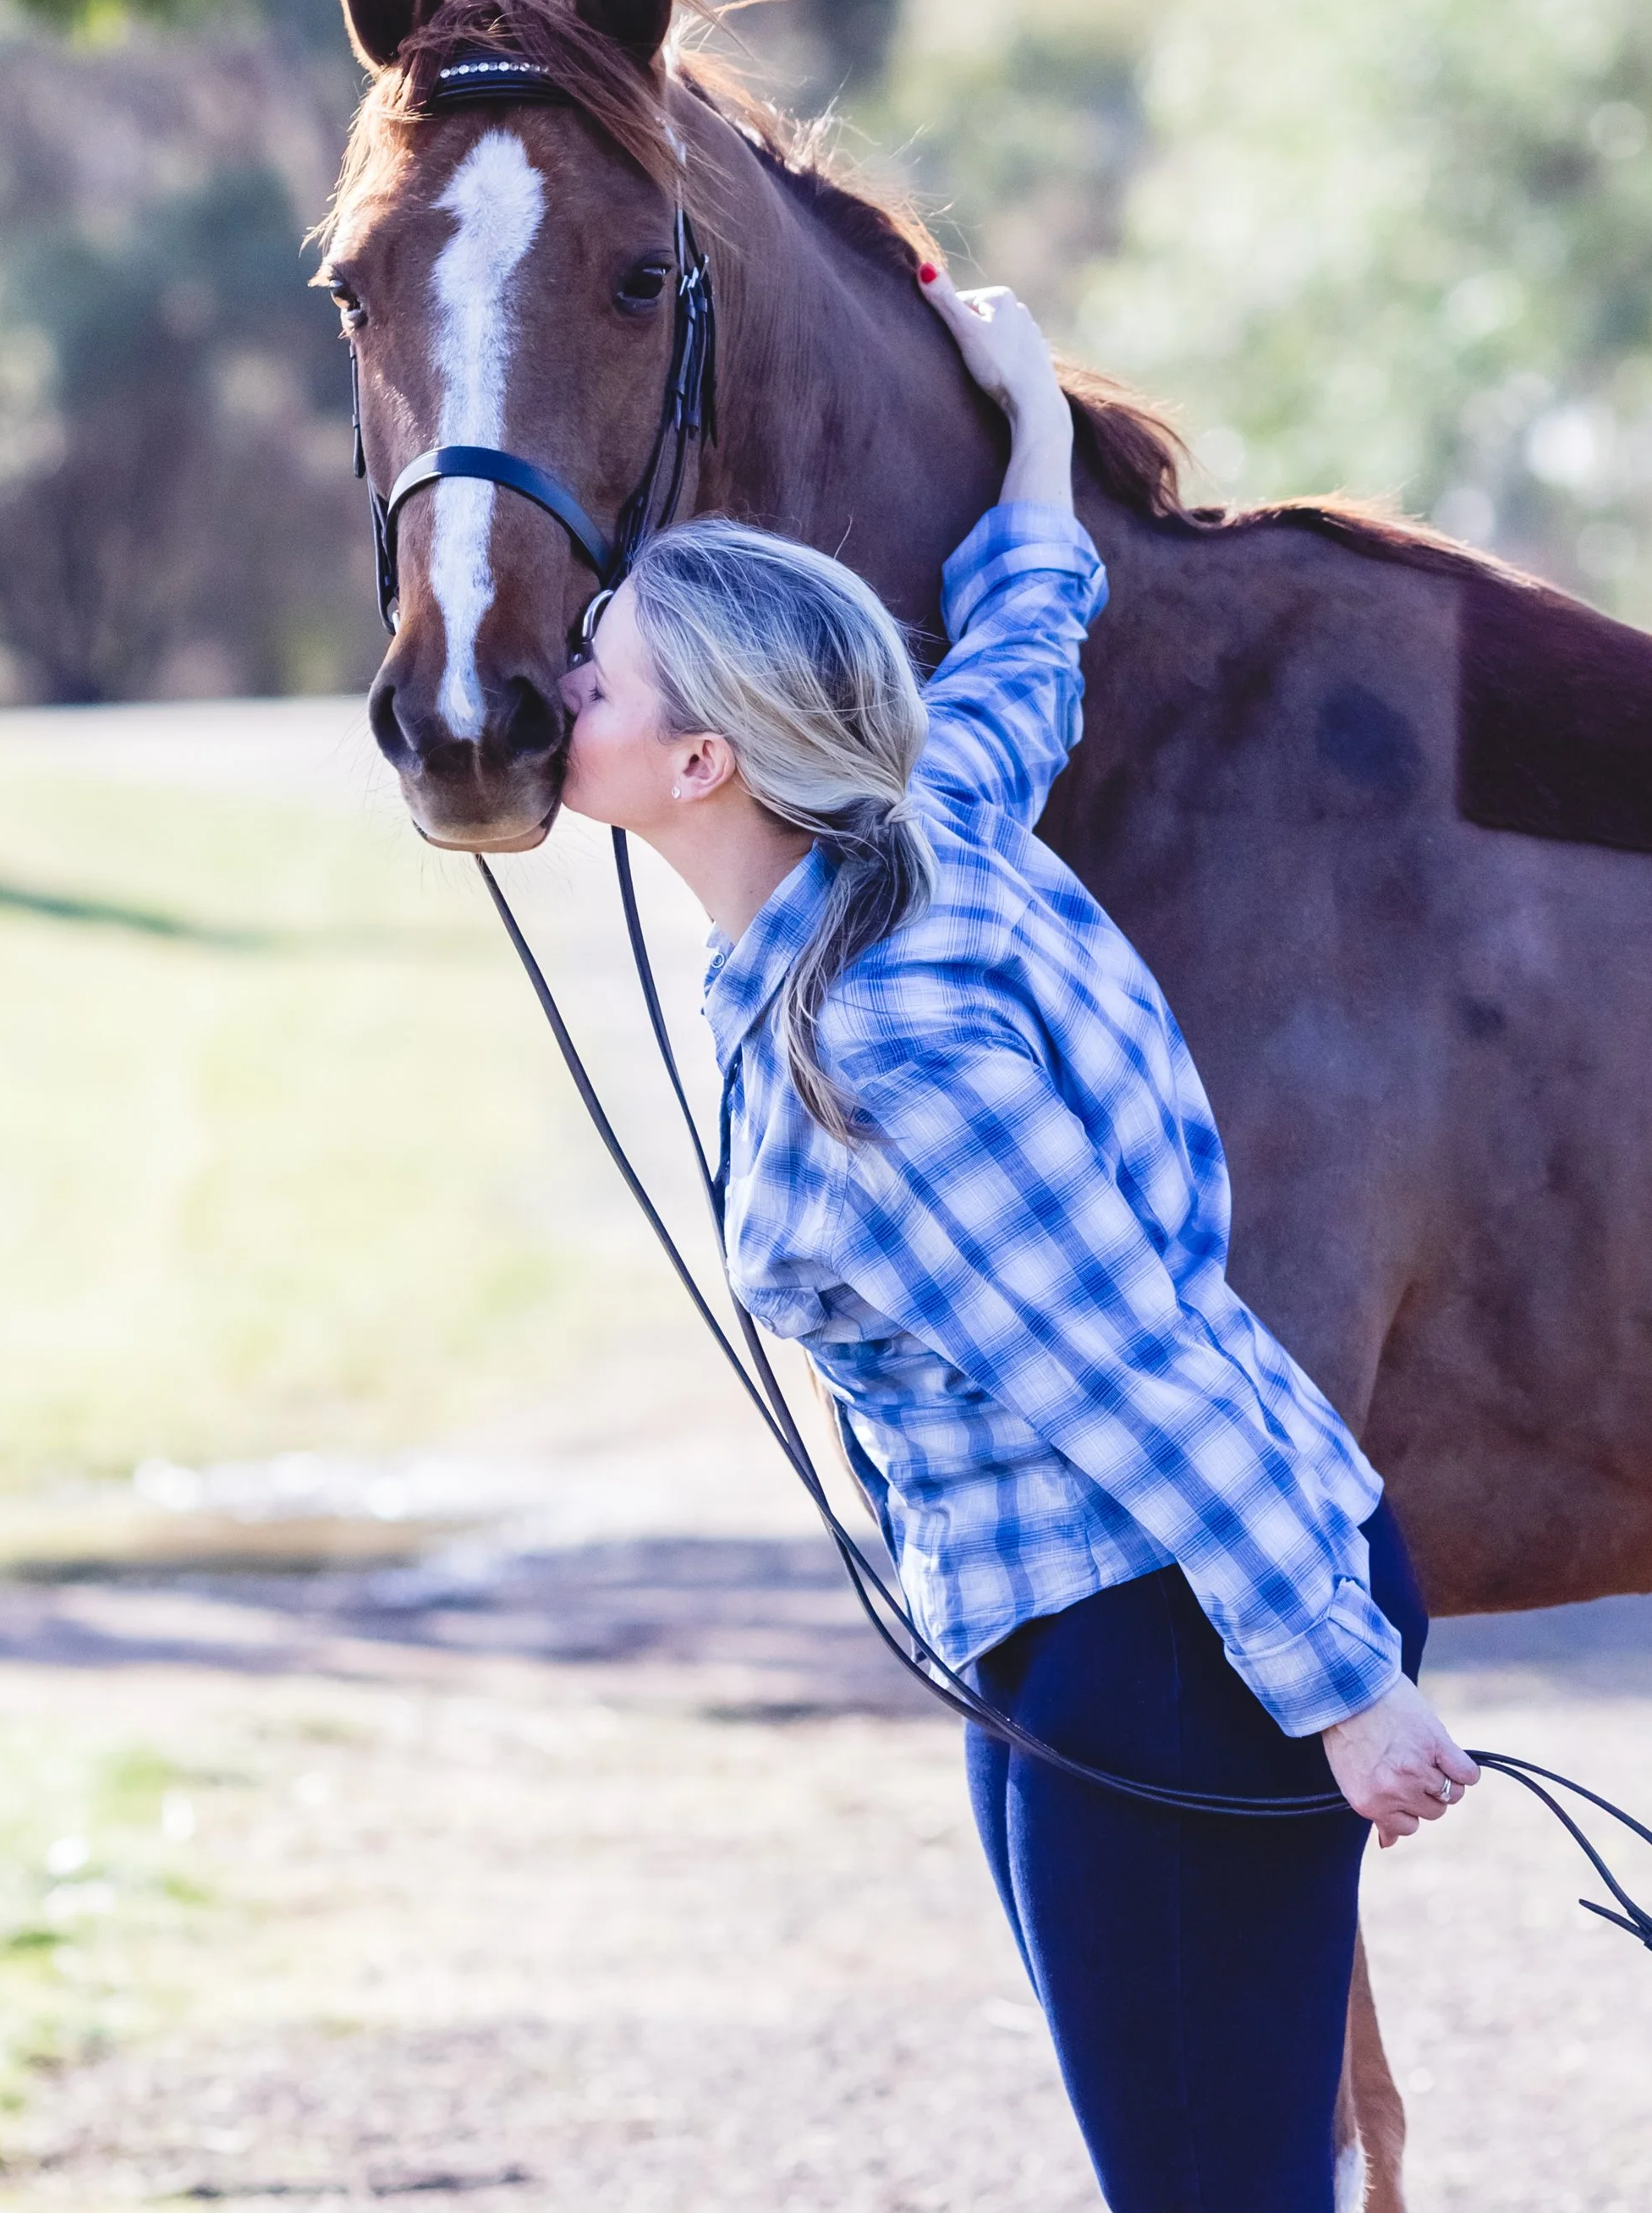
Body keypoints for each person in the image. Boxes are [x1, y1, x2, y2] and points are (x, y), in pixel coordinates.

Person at [556, 269, 1479, 2213]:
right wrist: (1029, 427)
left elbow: (1127, 1370)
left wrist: (1335, 1687)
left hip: (1173, 1624)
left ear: (704, 761)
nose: (559, 684)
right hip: (1099, 1624)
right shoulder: (923, 828)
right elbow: (1024, 632)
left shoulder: (883, 1048)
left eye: (600, 675)